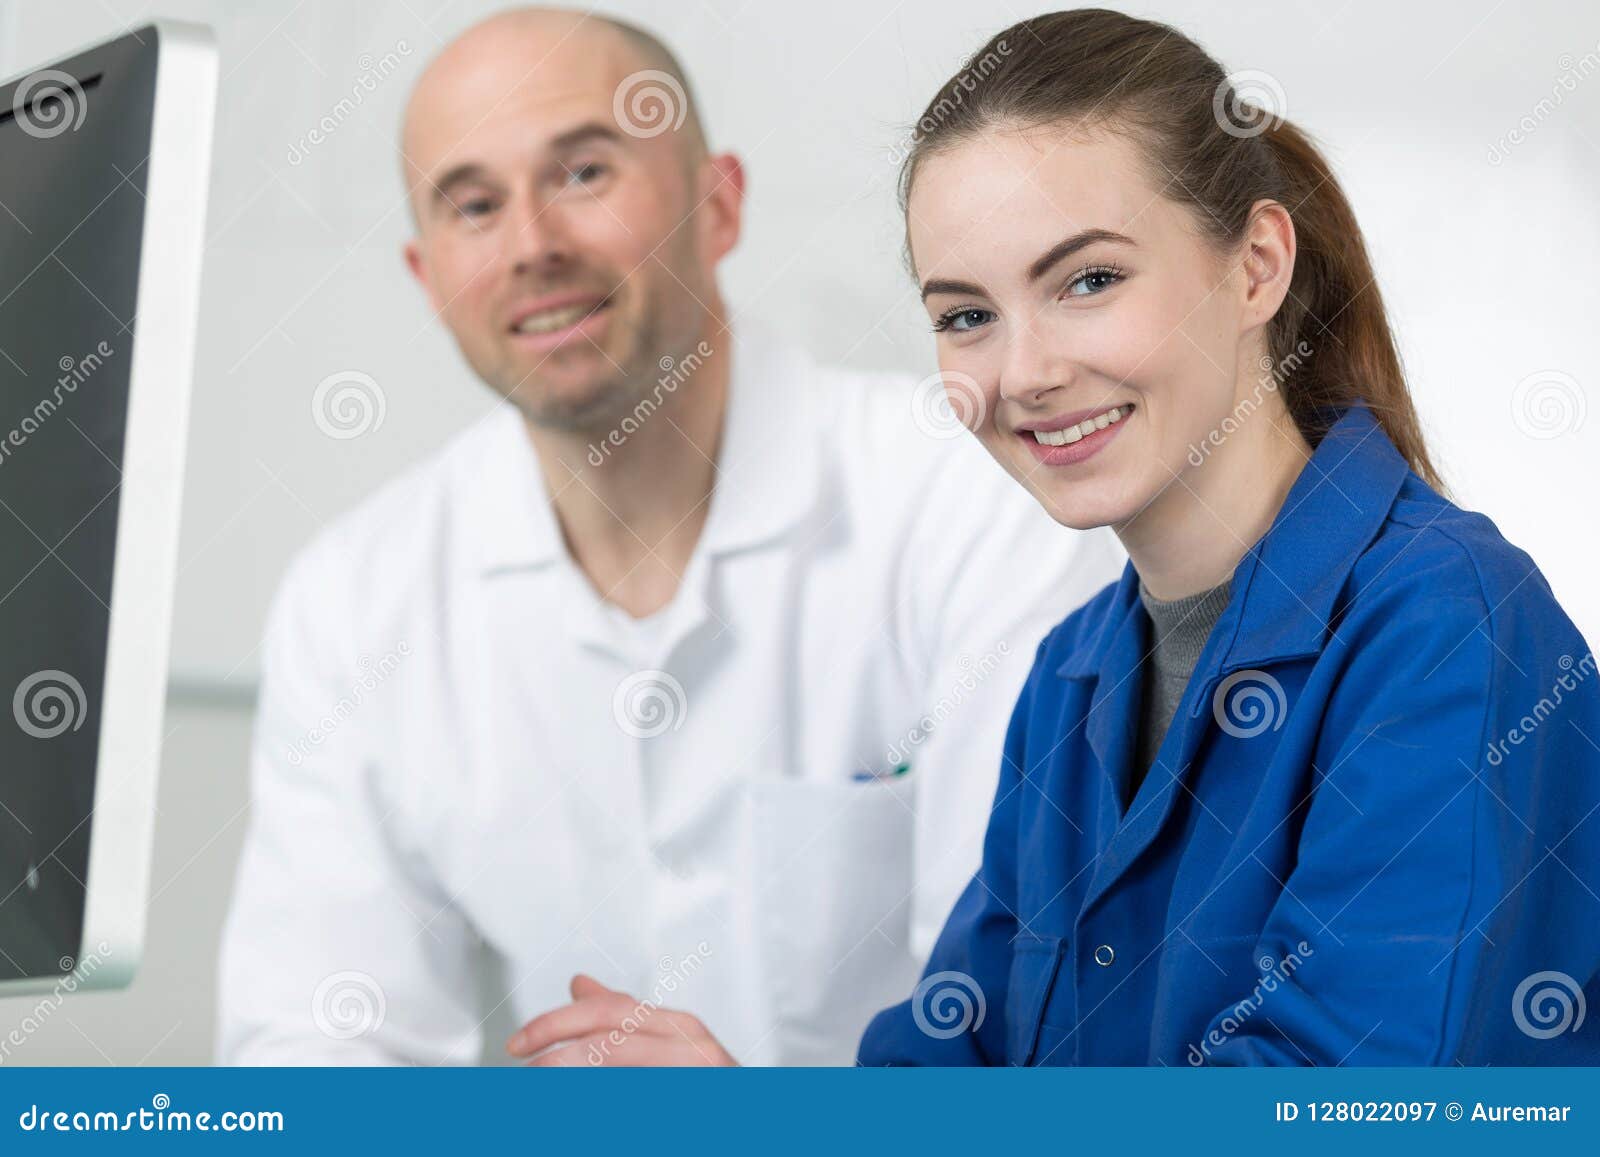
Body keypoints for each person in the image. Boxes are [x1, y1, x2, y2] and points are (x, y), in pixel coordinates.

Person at [213, 8, 1122, 1066]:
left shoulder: (969, 503)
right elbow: (312, 1041)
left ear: (718, 203)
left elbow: (1037, 1033)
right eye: (472, 204)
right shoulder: (357, 599)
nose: (532, 245)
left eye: (584, 172)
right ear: (427, 277)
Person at [858, 8, 1600, 1066]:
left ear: (1256, 265)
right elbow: (951, 1058)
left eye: (1088, 280)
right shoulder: (1070, 676)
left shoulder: (1444, 630)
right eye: (965, 314)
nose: (1022, 373)